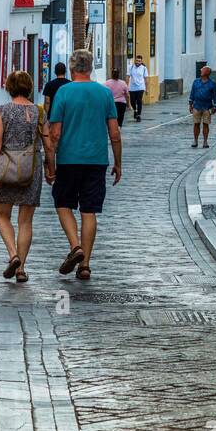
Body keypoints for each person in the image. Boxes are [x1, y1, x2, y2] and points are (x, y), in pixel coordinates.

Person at [46, 48, 121, 281]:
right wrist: (118, 162)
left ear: (71, 67)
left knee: (63, 203)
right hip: (97, 160)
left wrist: (51, 163)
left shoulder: (64, 93)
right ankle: (85, 264)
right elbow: (115, 133)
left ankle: (75, 245)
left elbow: (55, 133)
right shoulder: (104, 93)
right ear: (90, 67)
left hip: (69, 159)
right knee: (89, 211)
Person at [0, 71, 45, 284]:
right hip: (31, 167)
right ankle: (21, 268)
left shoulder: (3, 111)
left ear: (9, 88)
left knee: (3, 215)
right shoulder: (38, 111)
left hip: (8, 168)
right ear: (29, 87)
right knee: (25, 221)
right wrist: (51, 168)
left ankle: (13, 254)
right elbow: (48, 142)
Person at [188, 65, 216, 148]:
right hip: (196, 106)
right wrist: (190, 104)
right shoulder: (196, 82)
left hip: (207, 107)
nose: (201, 70)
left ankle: (205, 141)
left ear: (207, 72)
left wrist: (215, 106)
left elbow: (215, 96)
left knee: (206, 124)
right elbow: (192, 93)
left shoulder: (212, 83)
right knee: (196, 124)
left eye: (203, 69)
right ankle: (195, 140)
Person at [127, 54, 149, 121]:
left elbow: (146, 79)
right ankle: (135, 110)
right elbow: (127, 77)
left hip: (140, 87)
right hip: (132, 87)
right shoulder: (131, 67)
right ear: (135, 60)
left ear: (141, 61)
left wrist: (147, 89)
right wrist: (126, 87)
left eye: (139, 61)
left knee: (139, 101)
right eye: (136, 60)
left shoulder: (144, 68)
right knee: (132, 101)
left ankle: (138, 115)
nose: (137, 62)